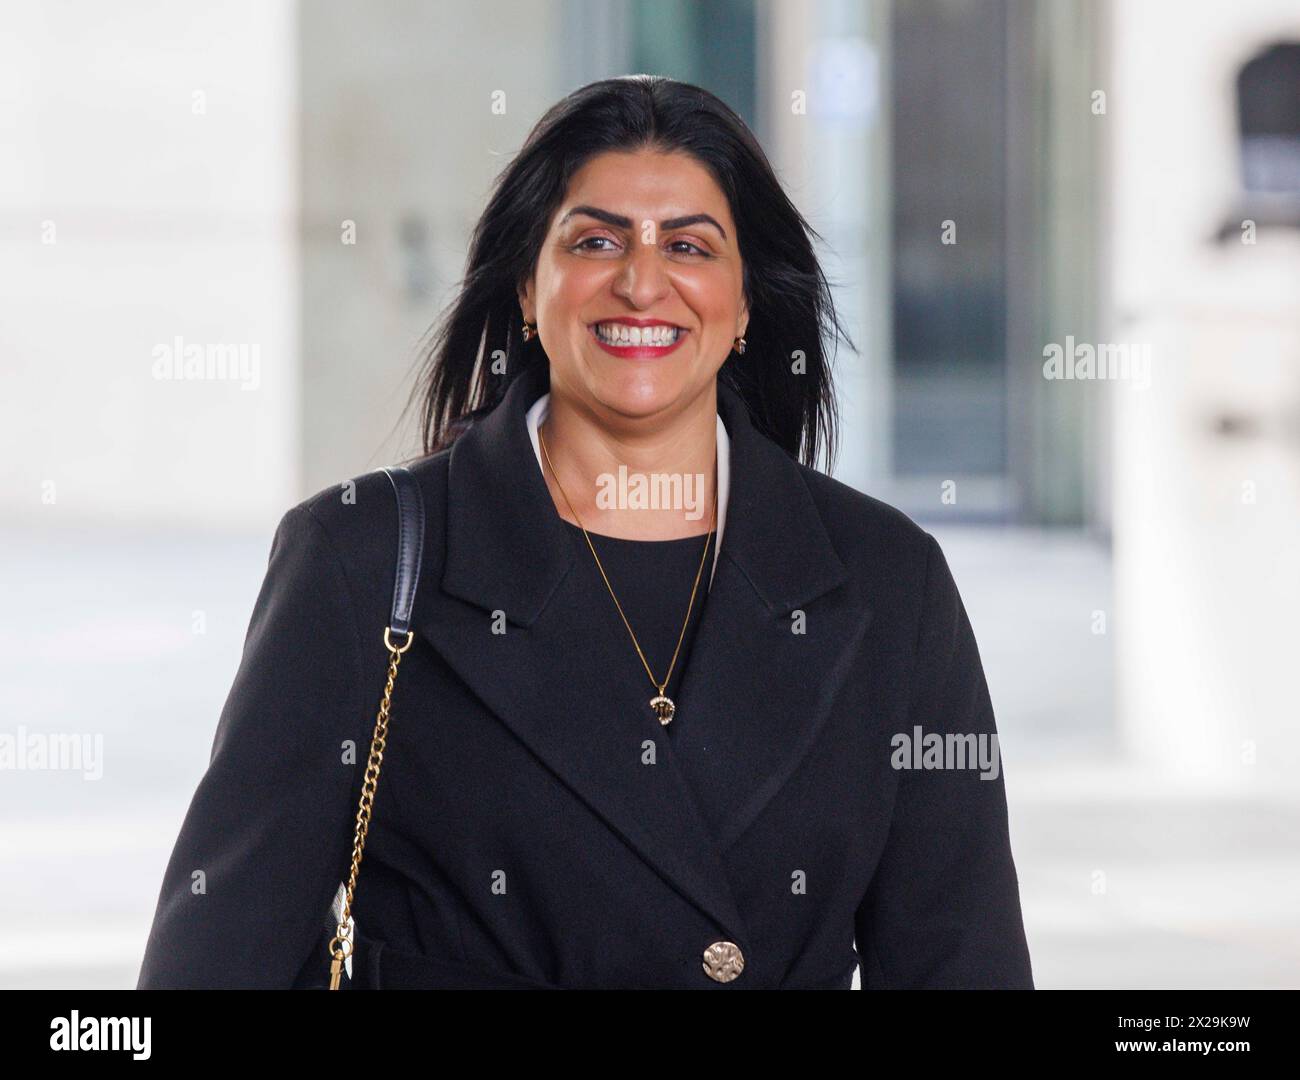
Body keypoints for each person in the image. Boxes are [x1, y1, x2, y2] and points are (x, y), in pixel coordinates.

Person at [137, 74, 1033, 990]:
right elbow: (215, 958)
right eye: (597, 240)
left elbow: (962, 961)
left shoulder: (885, 582)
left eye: (688, 245)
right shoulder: (361, 558)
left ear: (747, 304)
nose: (643, 282)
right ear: (529, 286)